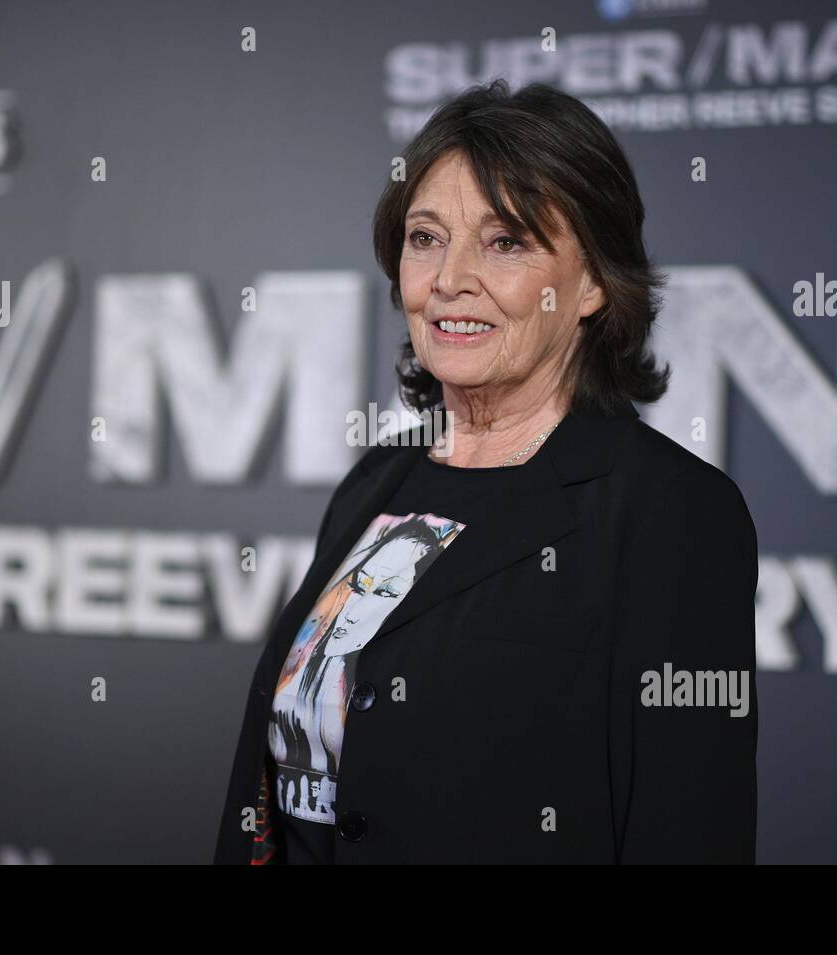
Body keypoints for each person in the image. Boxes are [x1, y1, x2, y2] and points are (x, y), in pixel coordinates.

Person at [214, 78, 758, 864]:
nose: (448, 279)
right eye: (426, 237)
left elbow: (688, 829)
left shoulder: (668, 512)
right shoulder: (379, 480)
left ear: (596, 282)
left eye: (506, 242)